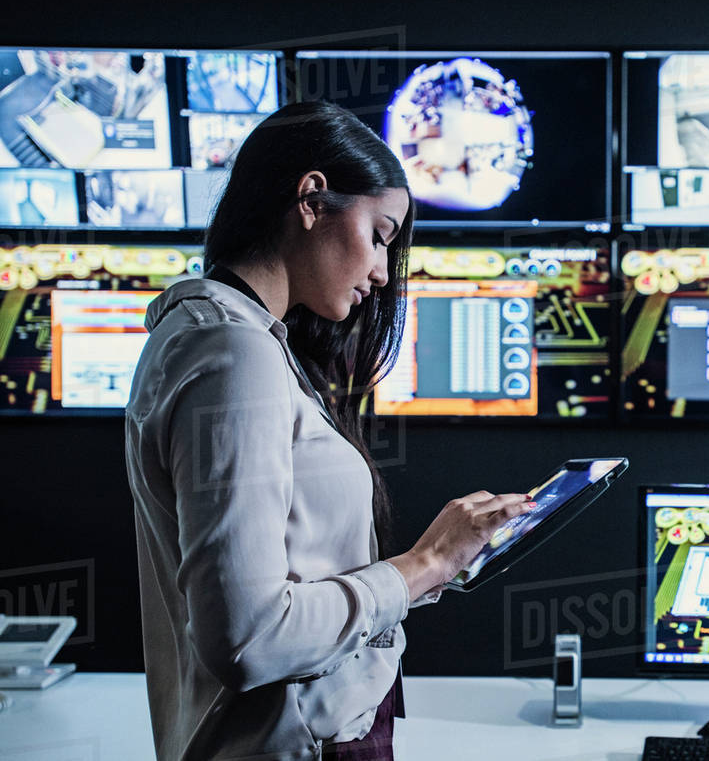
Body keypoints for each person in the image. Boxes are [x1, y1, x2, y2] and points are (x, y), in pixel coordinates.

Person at [125, 101, 534, 761]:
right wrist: (425, 564)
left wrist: (435, 564)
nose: (383, 270)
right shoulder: (233, 352)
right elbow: (249, 640)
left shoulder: (230, 339)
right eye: (380, 234)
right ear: (312, 200)